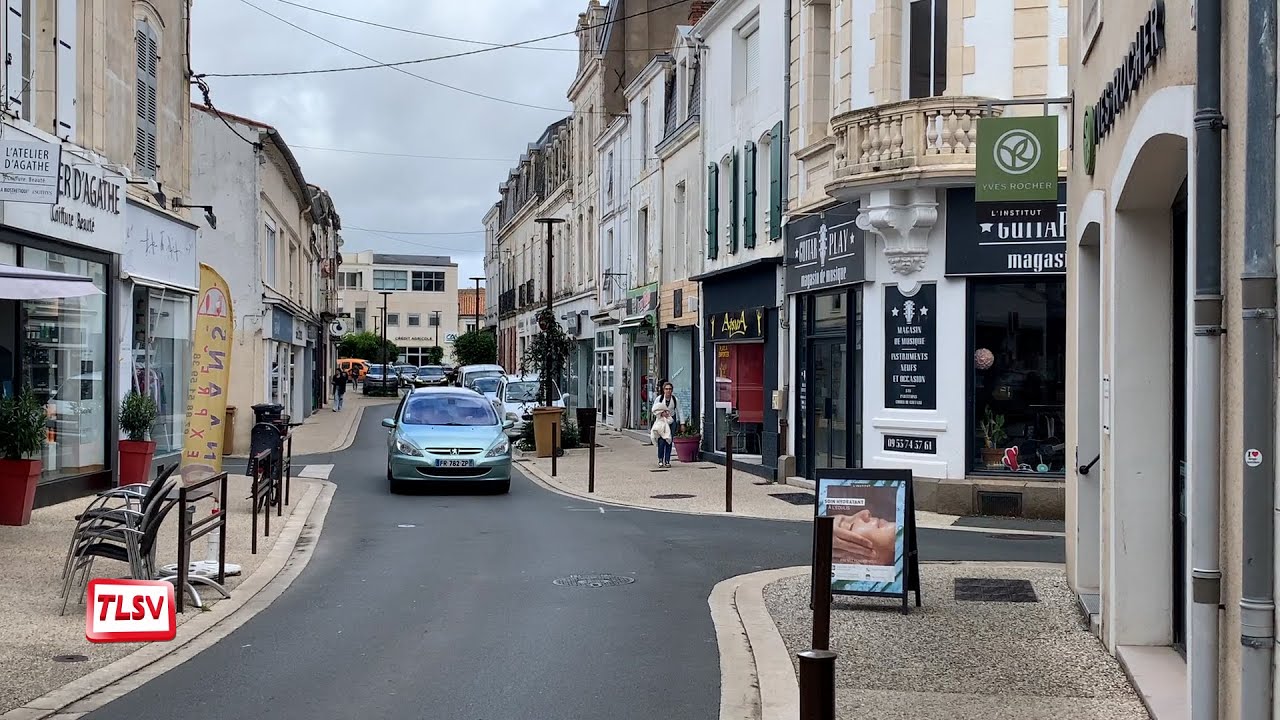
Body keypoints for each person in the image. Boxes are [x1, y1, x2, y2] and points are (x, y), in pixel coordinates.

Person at [651, 399, 673, 468]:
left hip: (667, 434)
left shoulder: (666, 419)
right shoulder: (658, 419)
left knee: (668, 447)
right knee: (661, 447)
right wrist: (661, 413)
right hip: (660, 435)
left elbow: (671, 421)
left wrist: (667, 415)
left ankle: (667, 460)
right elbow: (655, 411)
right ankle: (660, 460)